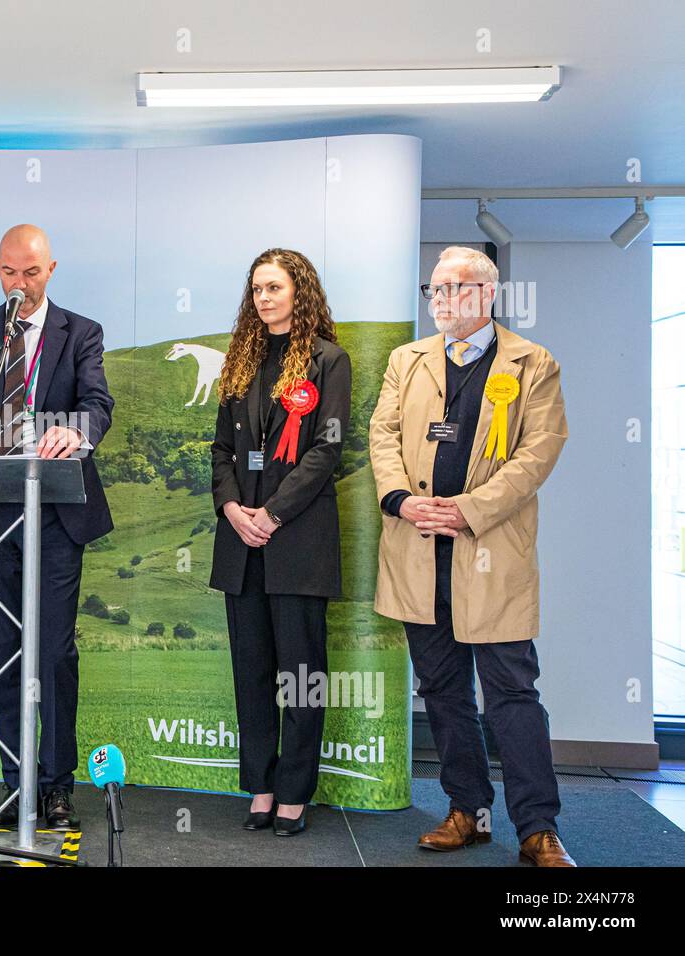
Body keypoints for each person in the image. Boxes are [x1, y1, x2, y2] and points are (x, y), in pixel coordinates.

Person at [369, 245, 575, 866]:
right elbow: (382, 434)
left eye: (456, 288)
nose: (442, 300)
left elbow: (538, 453)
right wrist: (401, 499)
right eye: (434, 290)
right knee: (442, 689)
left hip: (489, 553)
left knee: (511, 692)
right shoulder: (406, 361)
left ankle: (538, 829)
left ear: (488, 295)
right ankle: (467, 812)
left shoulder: (533, 363)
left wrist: (469, 510)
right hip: (418, 548)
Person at [0, 224, 113, 830]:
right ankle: (16, 784)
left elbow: (97, 404)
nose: (20, 283)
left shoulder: (80, 332)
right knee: (3, 652)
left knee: (54, 651)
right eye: (10, 272)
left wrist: (77, 432)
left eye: (31, 272)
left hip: (57, 514)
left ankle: (57, 785)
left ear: (52, 269)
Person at [210, 248, 351, 837]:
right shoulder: (239, 362)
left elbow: (328, 451)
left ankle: (295, 793)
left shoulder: (329, 360)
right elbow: (220, 451)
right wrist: (232, 508)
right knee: (252, 675)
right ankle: (261, 788)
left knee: (299, 677)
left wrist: (270, 513)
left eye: (274, 287)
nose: (263, 298)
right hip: (241, 544)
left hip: (296, 543)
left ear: (301, 291)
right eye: (256, 289)